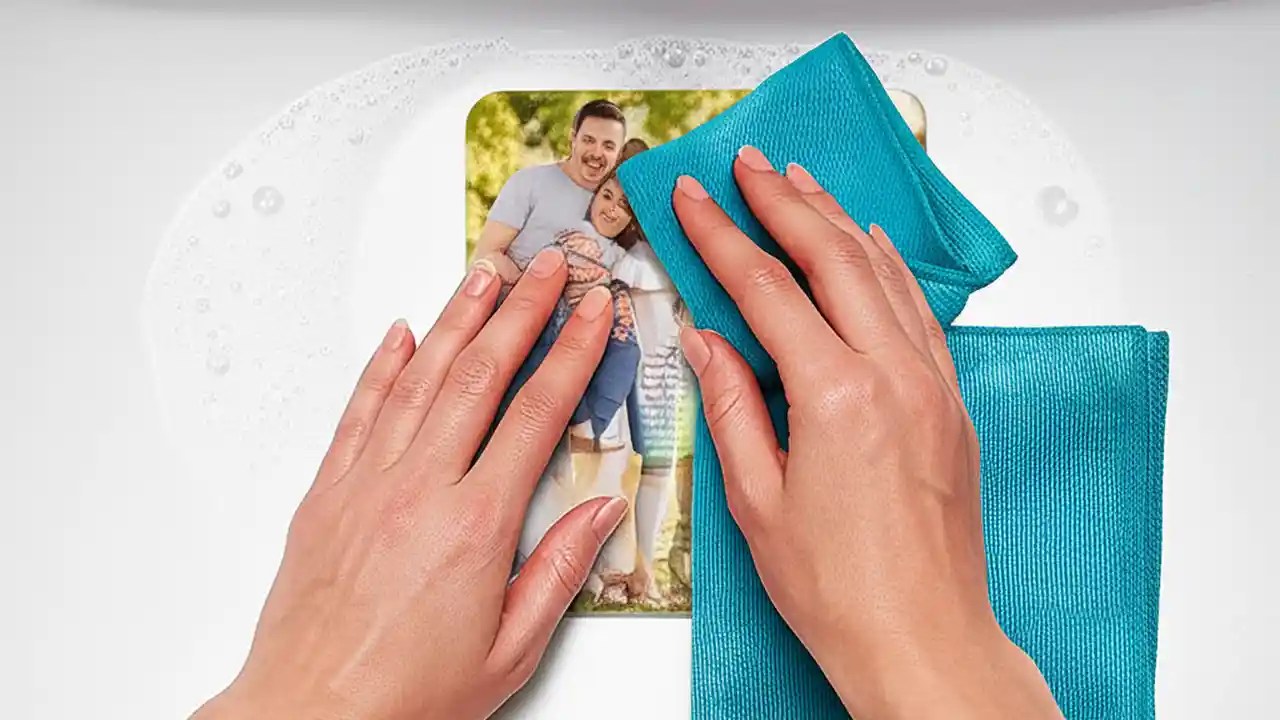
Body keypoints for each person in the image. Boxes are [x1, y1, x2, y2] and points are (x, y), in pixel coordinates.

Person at [191, 147, 1065, 720]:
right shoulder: (565, 231)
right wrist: (931, 646)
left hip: (648, 379)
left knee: (639, 466)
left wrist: (305, 693)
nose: (607, 194)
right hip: (610, 381)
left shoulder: (634, 263)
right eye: (601, 186)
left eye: (617, 188)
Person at [472, 99, 627, 285]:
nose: (597, 153)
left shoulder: (621, 210)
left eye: (608, 146)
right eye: (589, 140)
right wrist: (535, 291)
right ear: (573, 139)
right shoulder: (529, 182)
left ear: (619, 153)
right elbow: (488, 254)